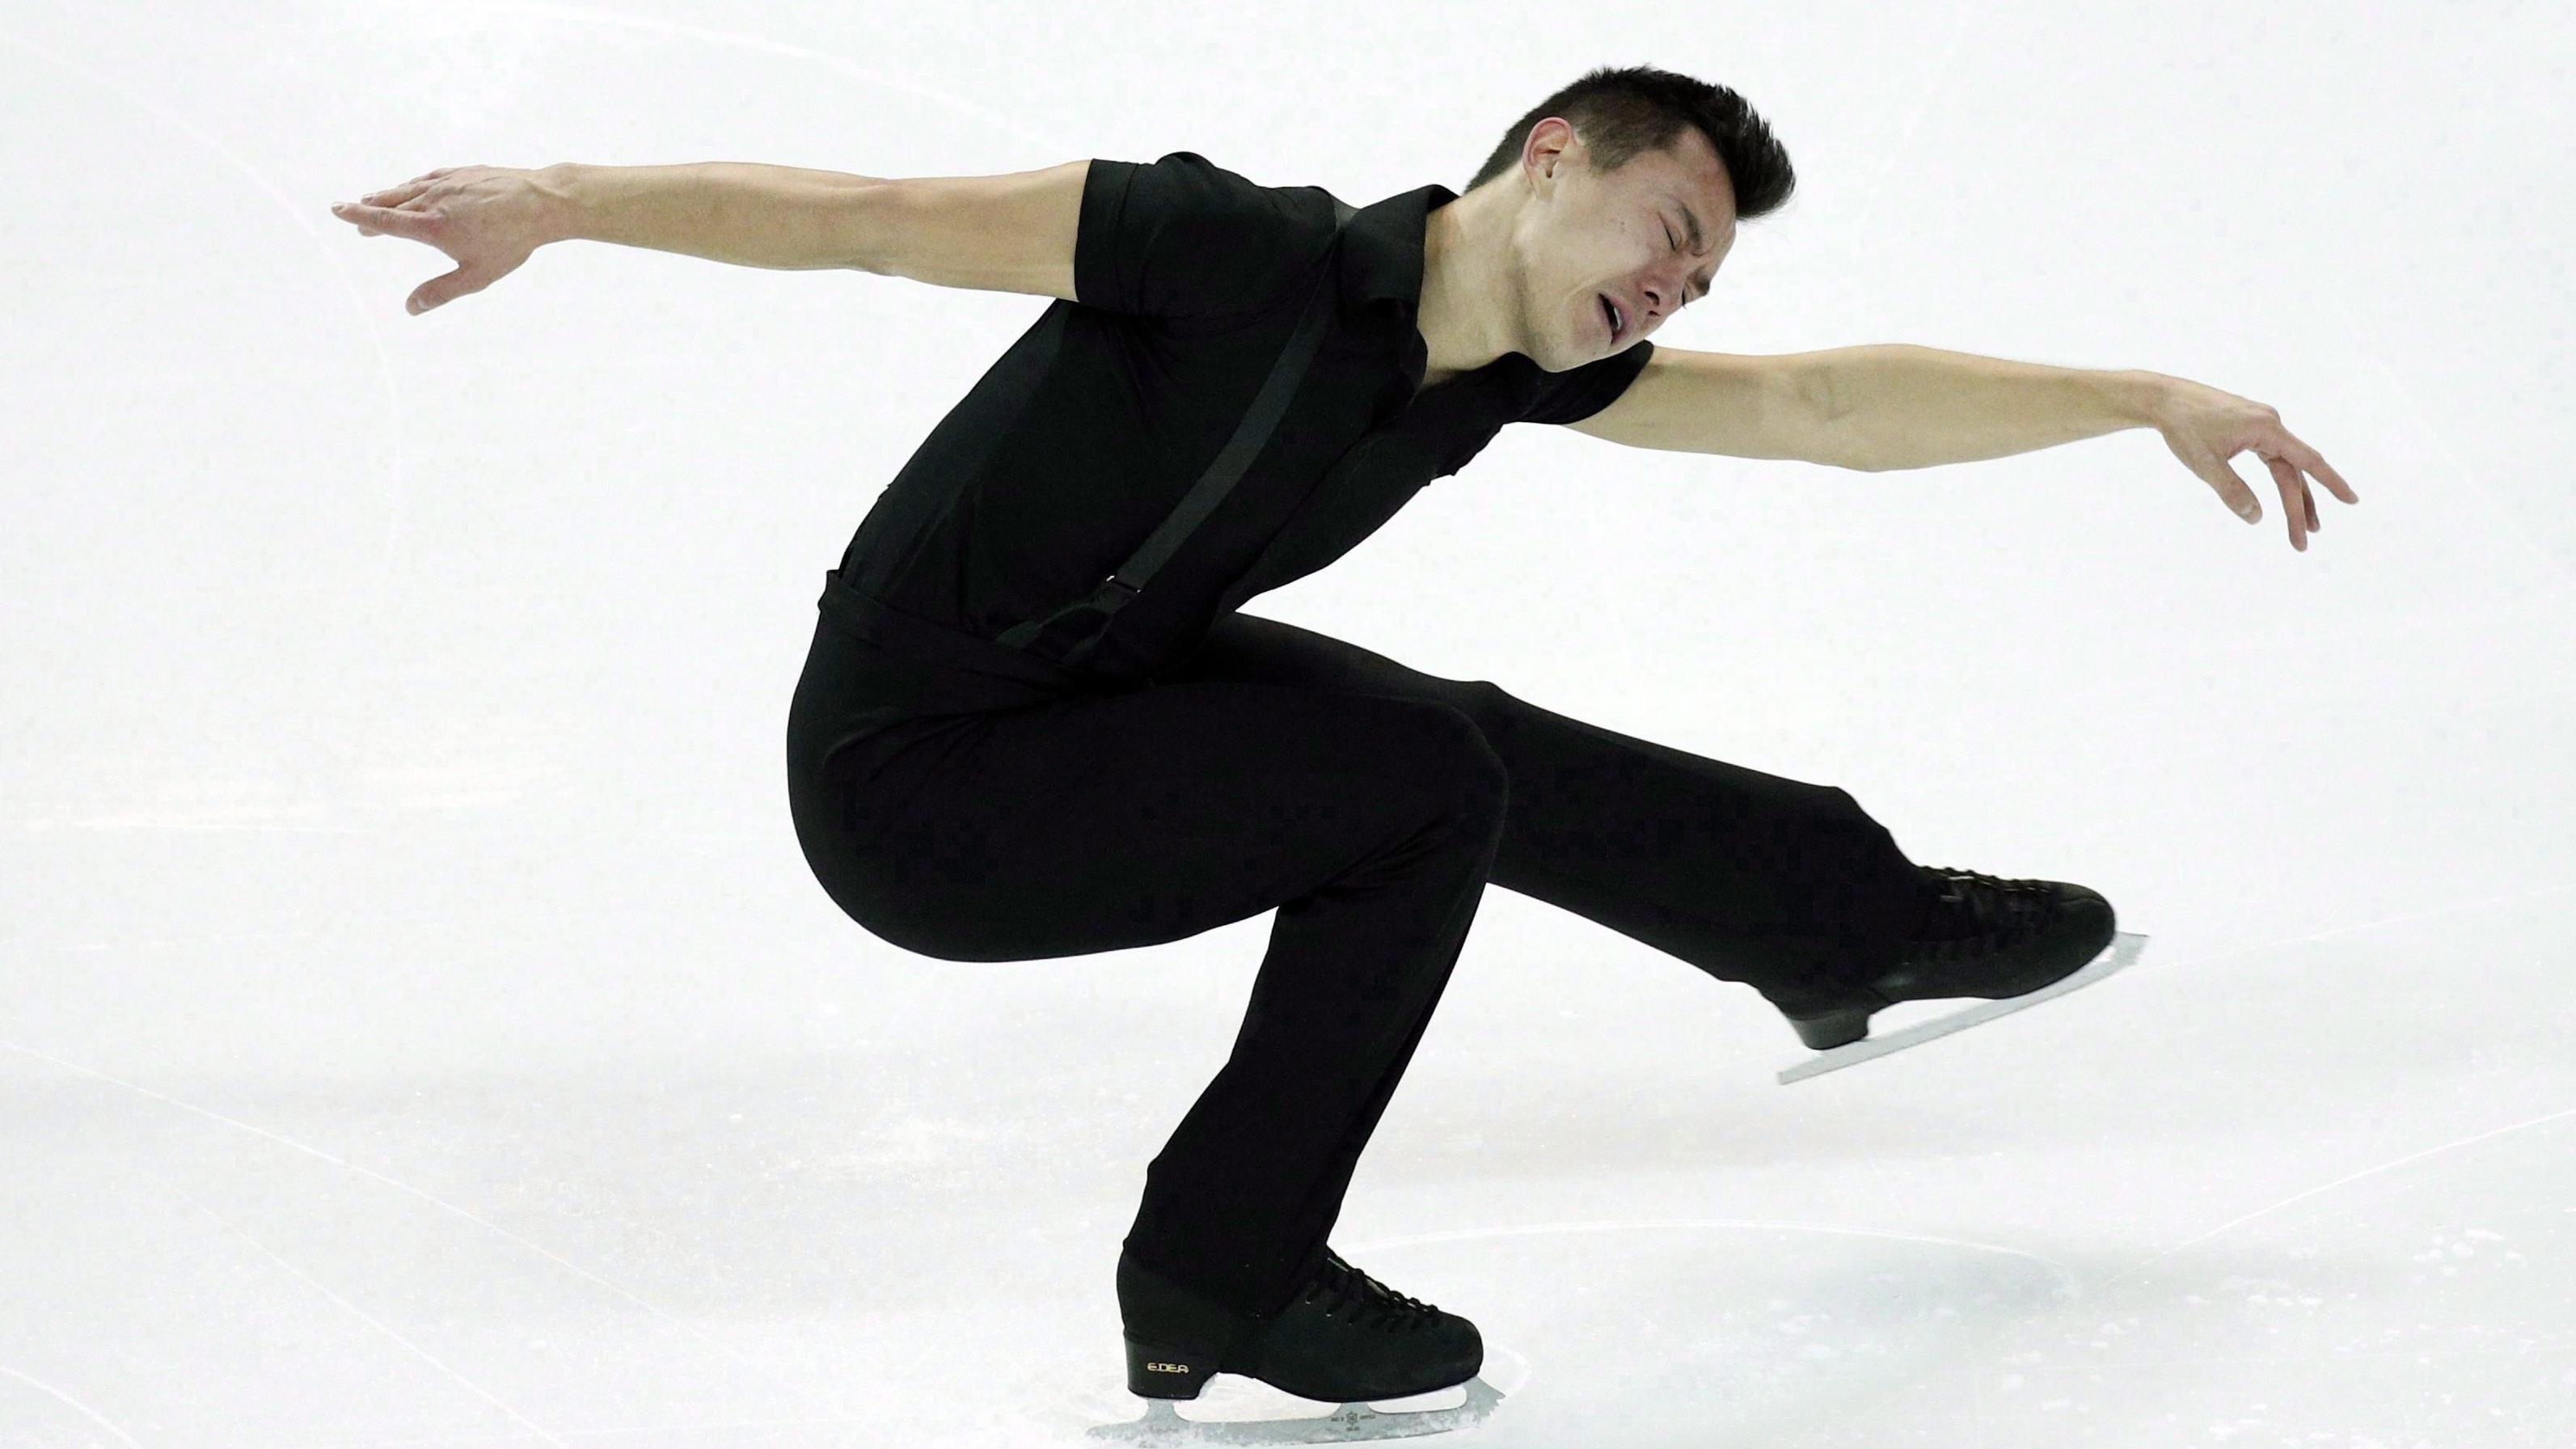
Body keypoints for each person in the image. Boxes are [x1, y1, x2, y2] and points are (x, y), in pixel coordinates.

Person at [332, 58, 2351, 1433]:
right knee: (1417, 782)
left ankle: (1848, 925)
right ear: (1547, 155)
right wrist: (560, 200)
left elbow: (1818, 407)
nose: (1671, 282)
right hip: (921, 782)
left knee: (1447, 742)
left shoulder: (1491, 374)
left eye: (1700, 271)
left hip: (1085, 714)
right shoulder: (1239, 251)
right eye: (1664, 223)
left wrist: (2140, 392)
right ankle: (1223, 1269)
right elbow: (880, 218)